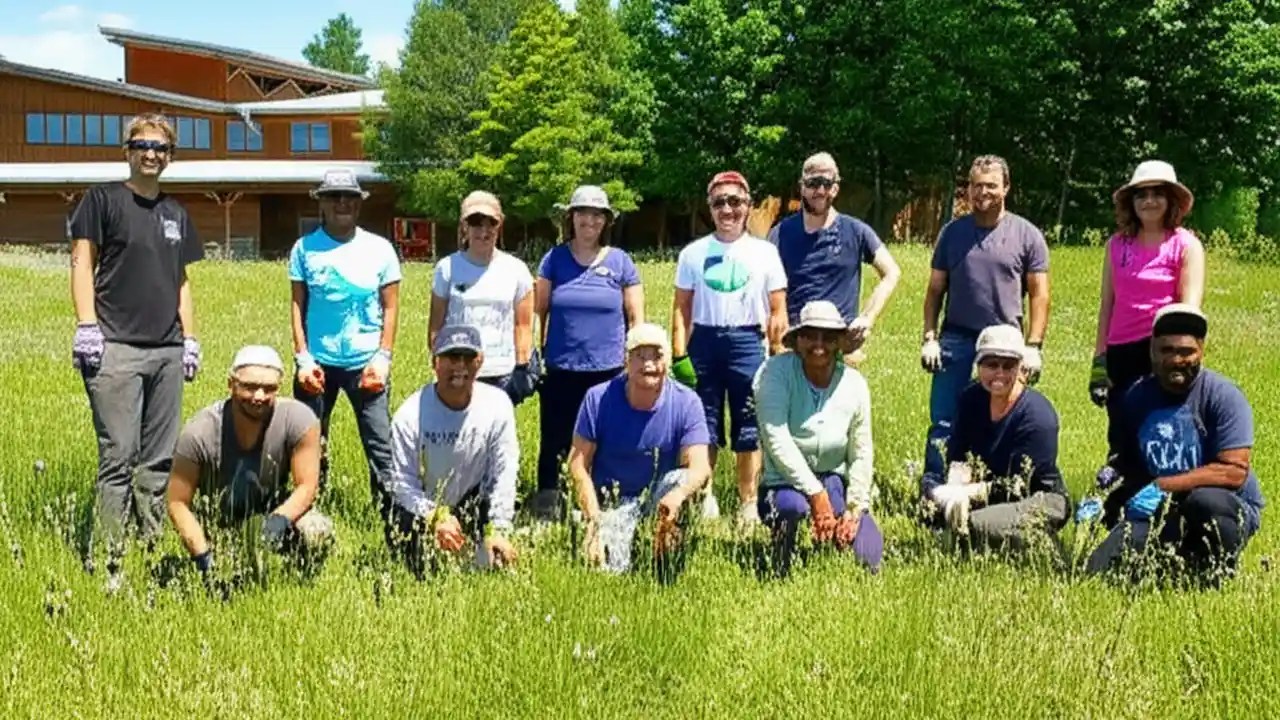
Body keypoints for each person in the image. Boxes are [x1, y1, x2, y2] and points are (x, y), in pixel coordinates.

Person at [68, 112, 205, 586]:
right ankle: (109, 559)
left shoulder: (176, 214)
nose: (151, 153)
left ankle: (149, 552)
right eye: (142, 145)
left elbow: (181, 281)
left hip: (166, 351)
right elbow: (82, 263)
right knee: (119, 456)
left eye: (161, 147)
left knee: (159, 461)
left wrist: (190, 338)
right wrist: (87, 326)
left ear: (170, 156)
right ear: (127, 150)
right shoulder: (101, 200)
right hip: (115, 350)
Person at [1086, 305, 1265, 581]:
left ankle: (1215, 570)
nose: (1176, 360)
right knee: (1096, 572)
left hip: (1225, 506)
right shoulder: (1135, 398)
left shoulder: (1223, 396)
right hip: (1164, 508)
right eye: (1166, 350)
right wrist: (1103, 490)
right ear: (1151, 351)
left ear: (1201, 351)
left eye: (1186, 351)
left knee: (1203, 501)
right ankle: (1175, 557)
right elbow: (1128, 463)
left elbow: (1234, 471)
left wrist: (1163, 485)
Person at [920, 155, 1050, 485]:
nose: (983, 193)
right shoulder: (952, 234)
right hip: (958, 338)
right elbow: (935, 290)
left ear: (1006, 187)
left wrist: (1033, 345)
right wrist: (930, 336)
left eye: (991, 185)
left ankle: (1001, 484)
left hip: (1005, 342)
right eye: (976, 186)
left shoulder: (1027, 235)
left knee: (1004, 416)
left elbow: (1039, 294)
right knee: (945, 421)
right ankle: (935, 488)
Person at [671, 170, 788, 524]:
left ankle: (748, 503)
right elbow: (681, 308)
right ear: (710, 207)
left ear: (748, 206)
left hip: (748, 341)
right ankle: (703, 494)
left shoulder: (765, 253)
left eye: (735, 201)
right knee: (702, 422)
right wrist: (679, 355)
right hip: (704, 341)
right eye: (719, 202)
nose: (727, 209)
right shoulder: (693, 253)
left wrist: (777, 356)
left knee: (748, 424)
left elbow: (779, 309)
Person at [288, 168, 401, 524]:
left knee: (380, 444)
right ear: (321, 203)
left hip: (366, 363)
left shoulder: (379, 249)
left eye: (349, 198)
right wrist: (302, 357)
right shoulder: (304, 248)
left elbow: (391, 306)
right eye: (334, 197)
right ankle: (309, 513)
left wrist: (383, 356)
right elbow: (297, 305)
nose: (342, 204)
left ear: (359, 204)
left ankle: (391, 518)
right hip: (319, 363)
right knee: (309, 442)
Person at [167, 346, 333, 583]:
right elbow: (177, 502)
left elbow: (307, 486)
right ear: (230, 384)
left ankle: (297, 581)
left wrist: (278, 521)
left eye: (269, 388)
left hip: (274, 511)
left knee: (317, 530)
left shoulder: (300, 421)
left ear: (280, 387)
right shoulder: (198, 433)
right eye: (249, 386)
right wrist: (203, 558)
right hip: (218, 521)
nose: (259, 396)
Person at [531, 185, 644, 521]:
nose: (590, 221)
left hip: (608, 370)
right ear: (572, 218)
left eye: (597, 215)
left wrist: (634, 356)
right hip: (562, 368)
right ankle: (549, 506)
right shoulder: (554, 260)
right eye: (583, 213)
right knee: (554, 440)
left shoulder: (621, 262)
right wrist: (535, 355)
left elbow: (636, 316)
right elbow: (539, 311)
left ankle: (602, 501)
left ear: (605, 221)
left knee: (604, 438)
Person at [753, 301, 884, 577]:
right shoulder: (773, 374)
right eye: (810, 335)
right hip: (783, 480)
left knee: (869, 553)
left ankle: (836, 548)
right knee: (792, 507)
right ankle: (779, 556)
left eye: (828, 337)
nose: (819, 344)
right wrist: (815, 494)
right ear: (798, 341)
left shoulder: (854, 384)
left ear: (839, 343)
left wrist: (856, 507)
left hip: (833, 477)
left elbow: (862, 450)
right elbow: (776, 439)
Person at [569, 323, 713, 574]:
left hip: (661, 497)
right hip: (613, 501)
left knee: (682, 479)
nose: (648, 365)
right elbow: (578, 465)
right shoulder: (598, 398)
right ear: (626, 361)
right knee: (612, 569)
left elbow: (700, 467)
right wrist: (593, 522)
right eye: (639, 356)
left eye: (656, 356)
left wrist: (678, 496)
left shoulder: (687, 402)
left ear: (667, 362)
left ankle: (667, 546)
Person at [1091, 160, 1205, 460]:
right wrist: (1099, 361)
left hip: (1162, 348)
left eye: (1158, 193)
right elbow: (1107, 304)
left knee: (1161, 426)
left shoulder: (1186, 245)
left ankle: (1163, 493)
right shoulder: (1116, 245)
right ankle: (1118, 490)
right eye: (1142, 194)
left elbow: (1189, 312)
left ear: (1171, 201)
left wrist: (1178, 358)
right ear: (1132, 202)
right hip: (1119, 350)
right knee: (1122, 427)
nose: (1150, 200)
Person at [384, 324, 519, 575]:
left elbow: (505, 472)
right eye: (451, 357)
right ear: (434, 363)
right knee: (422, 567)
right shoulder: (410, 415)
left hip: (473, 503)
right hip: (424, 507)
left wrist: (499, 529)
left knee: (493, 563)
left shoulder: (498, 406)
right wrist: (435, 516)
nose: (460, 365)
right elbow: (402, 484)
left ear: (480, 362)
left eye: (468, 357)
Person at [920, 325, 1070, 550]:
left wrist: (970, 495)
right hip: (986, 486)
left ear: (1021, 368)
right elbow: (957, 456)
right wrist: (952, 492)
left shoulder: (1039, 416)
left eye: (1008, 365)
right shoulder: (969, 399)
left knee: (978, 525)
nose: (999, 373)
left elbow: (1020, 485)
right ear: (977, 365)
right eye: (991, 364)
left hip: (1038, 496)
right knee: (928, 505)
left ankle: (1042, 544)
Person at [768, 152, 901, 359]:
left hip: (840, 346)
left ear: (836, 188)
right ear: (802, 186)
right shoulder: (780, 234)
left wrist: (867, 318)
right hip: (794, 345)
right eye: (813, 183)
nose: (820, 190)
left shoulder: (857, 231)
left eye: (827, 184)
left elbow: (892, 272)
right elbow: (764, 284)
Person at [429, 191, 539, 407]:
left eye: (491, 223)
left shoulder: (517, 270)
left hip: (502, 371)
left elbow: (523, 325)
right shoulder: (447, 268)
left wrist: (521, 368)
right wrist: (440, 366)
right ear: (464, 226)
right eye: (475, 223)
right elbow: (436, 326)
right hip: (459, 368)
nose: (484, 231)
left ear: (500, 225)